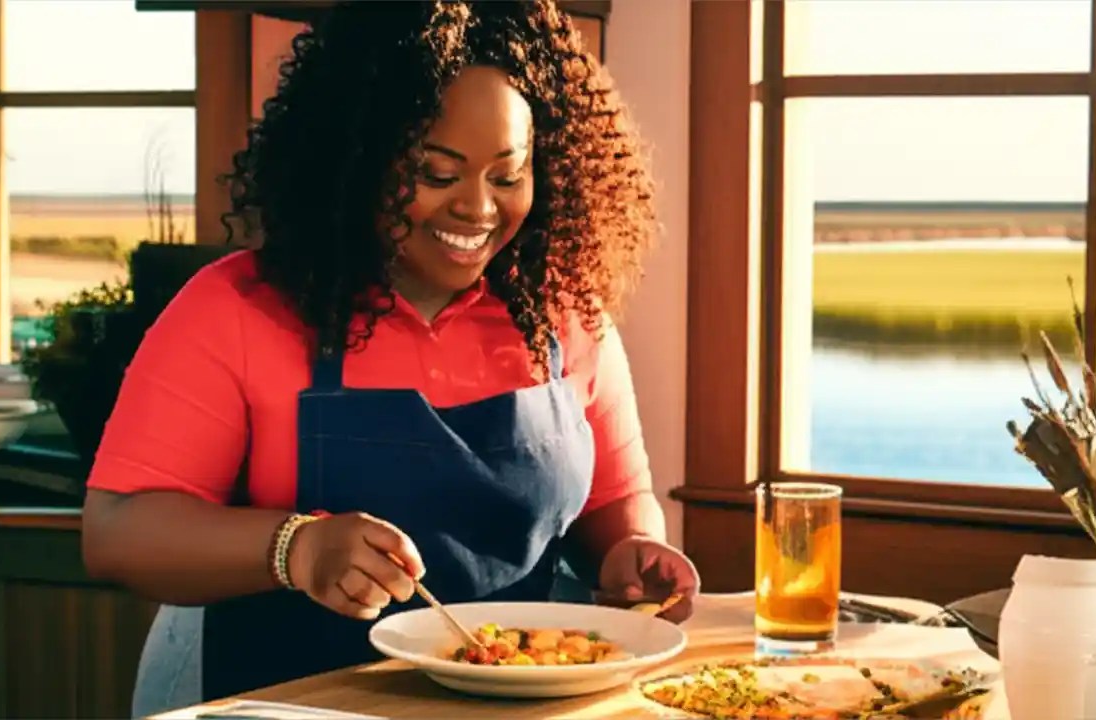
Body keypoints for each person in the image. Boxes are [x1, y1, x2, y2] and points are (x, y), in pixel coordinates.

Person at [81, 0, 700, 714]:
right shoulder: (237, 309)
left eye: (507, 175)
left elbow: (615, 502)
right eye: (437, 173)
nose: (478, 208)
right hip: (283, 704)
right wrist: (297, 548)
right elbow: (118, 531)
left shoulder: (563, 313)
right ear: (357, 157)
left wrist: (630, 554)